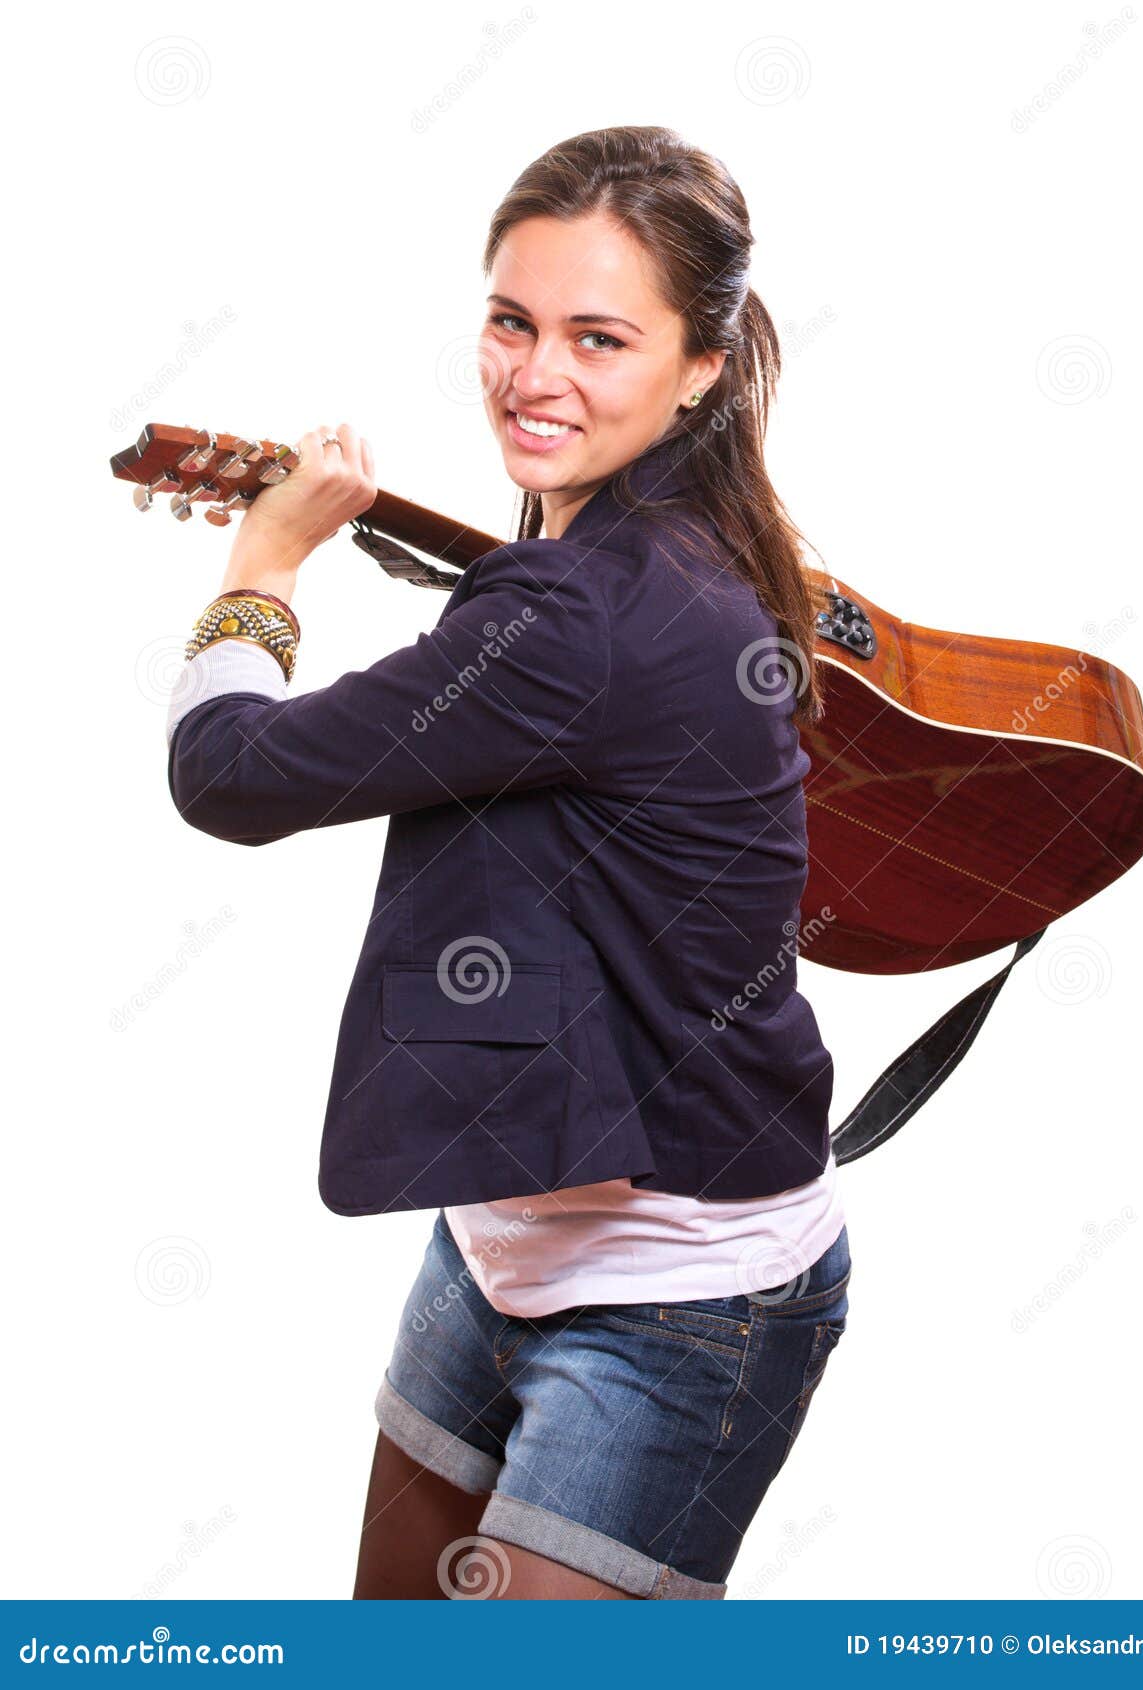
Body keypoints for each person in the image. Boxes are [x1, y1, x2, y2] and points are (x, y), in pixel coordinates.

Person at [165, 125, 852, 1600]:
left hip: (679, 1298)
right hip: (499, 1240)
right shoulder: (665, 538)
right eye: (510, 320)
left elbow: (222, 775)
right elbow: (514, 642)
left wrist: (260, 565)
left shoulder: (578, 619)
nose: (535, 377)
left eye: (599, 338)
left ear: (702, 366)